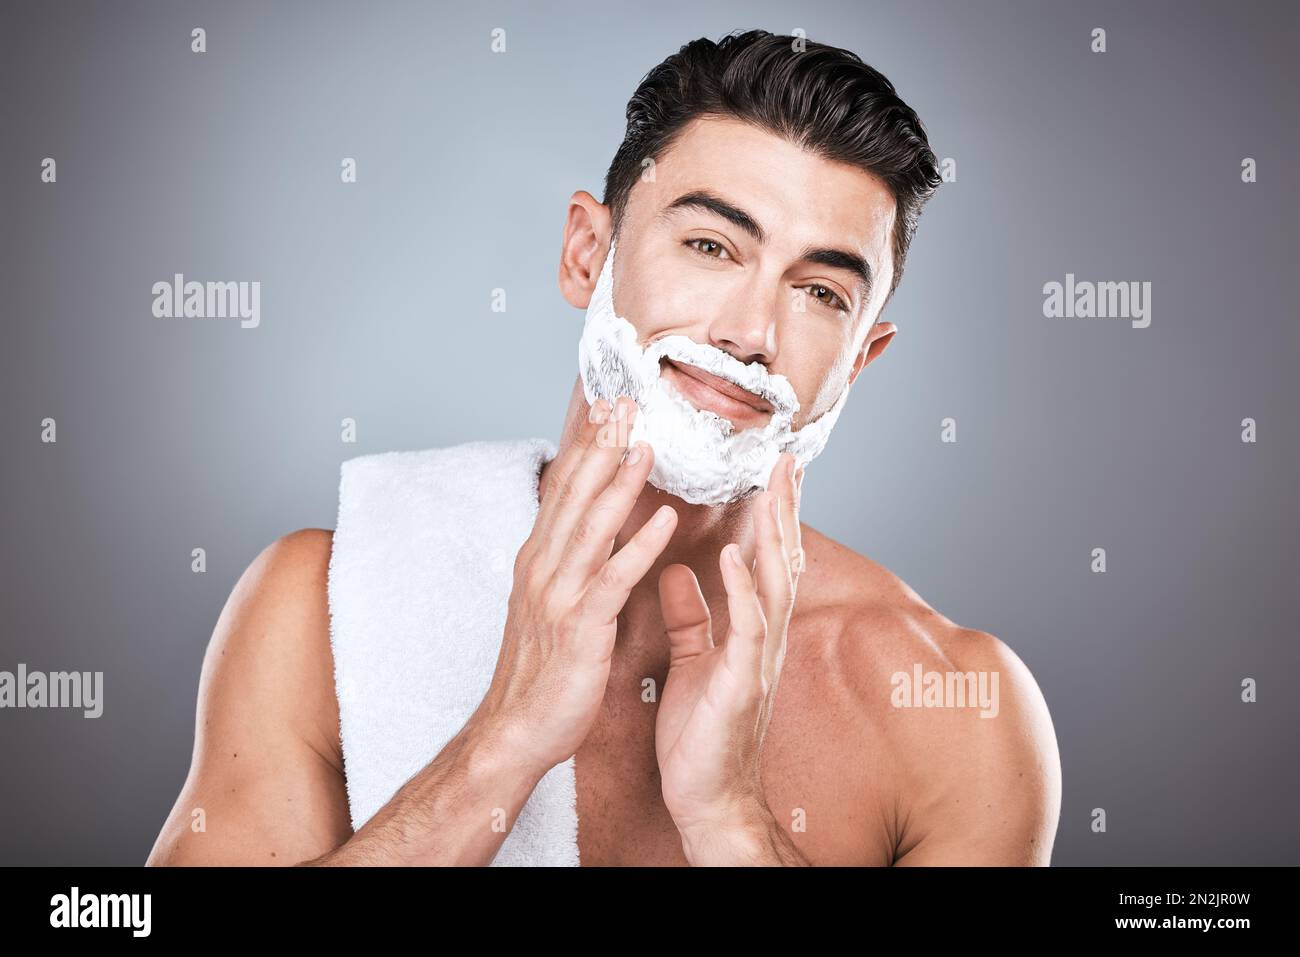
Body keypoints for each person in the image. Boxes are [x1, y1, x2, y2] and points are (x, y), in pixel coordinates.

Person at [147, 29, 1060, 867]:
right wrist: (495, 750)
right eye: (710, 244)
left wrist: (731, 816)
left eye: (820, 292)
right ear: (588, 251)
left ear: (861, 359)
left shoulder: (957, 712)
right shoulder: (322, 606)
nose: (750, 331)